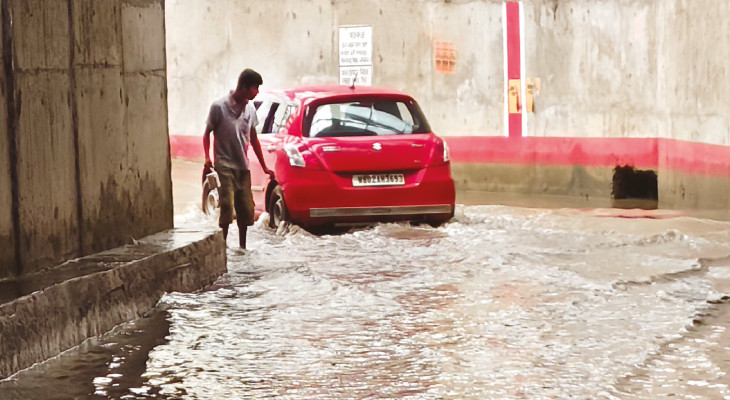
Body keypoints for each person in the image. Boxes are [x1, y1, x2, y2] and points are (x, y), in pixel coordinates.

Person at [203, 68, 274, 248]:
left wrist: (264, 167)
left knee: (246, 208)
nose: (257, 92)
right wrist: (207, 157)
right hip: (224, 164)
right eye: (255, 88)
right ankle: (223, 246)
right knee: (227, 204)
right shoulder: (218, 107)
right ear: (243, 86)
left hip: (243, 166)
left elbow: (254, 138)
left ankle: (242, 247)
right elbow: (207, 133)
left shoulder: (250, 109)